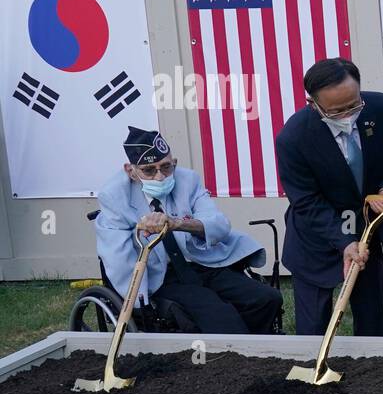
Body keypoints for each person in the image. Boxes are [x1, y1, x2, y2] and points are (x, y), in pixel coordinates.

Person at [275, 58, 383, 337]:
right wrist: (343, 242)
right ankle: (314, 365)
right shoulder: (293, 138)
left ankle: (376, 369)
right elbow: (306, 201)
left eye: (354, 105)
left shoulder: (381, 107)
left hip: (366, 231)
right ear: (312, 104)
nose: (349, 115)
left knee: (371, 316)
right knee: (314, 324)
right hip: (315, 237)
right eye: (337, 112)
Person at [95, 127, 280, 333]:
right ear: (131, 171)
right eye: (149, 170)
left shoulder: (187, 180)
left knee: (267, 298)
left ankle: (253, 347)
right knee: (219, 313)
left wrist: (177, 224)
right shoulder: (113, 197)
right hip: (160, 275)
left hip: (199, 262)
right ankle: (238, 351)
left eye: (166, 167)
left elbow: (218, 224)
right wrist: (140, 301)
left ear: (174, 163)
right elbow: (117, 257)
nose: (160, 177)